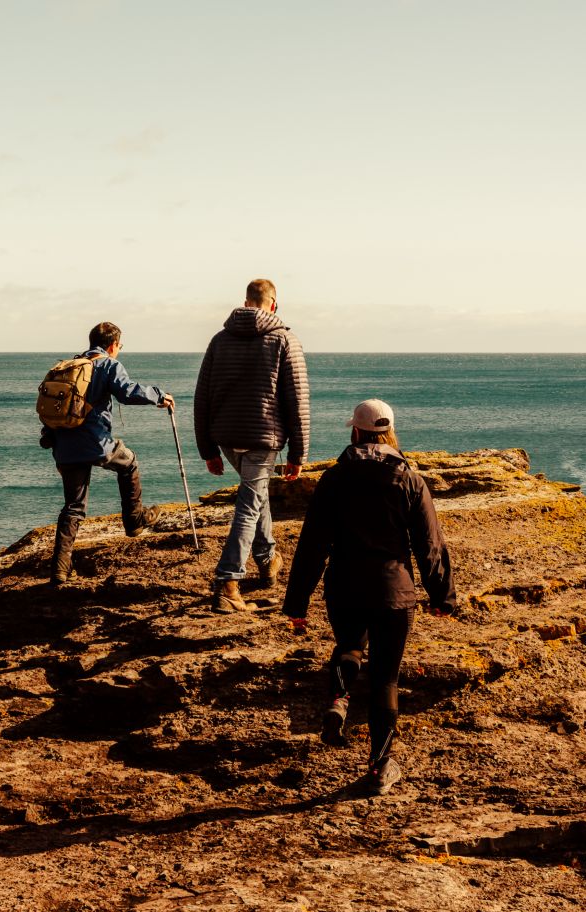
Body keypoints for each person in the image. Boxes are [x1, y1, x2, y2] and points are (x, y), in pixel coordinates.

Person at [280, 399, 454, 797]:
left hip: (344, 587)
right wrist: (442, 595)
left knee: (349, 647)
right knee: (385, 678)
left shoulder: (334, 479)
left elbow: (312, 546)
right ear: (389, 433)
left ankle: (339, 699)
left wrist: (297, 604)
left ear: (355, 432)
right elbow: (430, 545)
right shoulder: (409, 479)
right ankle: (379, 767)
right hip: (394, 592)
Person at [192, 278, 310, 613]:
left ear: (246, 303)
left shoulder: (219, 340)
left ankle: (268, 558)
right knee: (249, 503)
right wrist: (298, 454)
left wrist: (208, 449)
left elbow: (203, 397)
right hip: (262, 436)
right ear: (273, 303)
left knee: (255, 496)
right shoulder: (284, 339)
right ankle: (228, 581)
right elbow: (297, 400)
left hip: (227, 437)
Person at [45, 322, 174, 585]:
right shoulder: (108, 365)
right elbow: (127, 392)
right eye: (120, 346)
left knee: (73, 507)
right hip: (96, 443)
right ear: (113, 345)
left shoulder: (69, 366)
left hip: (65, 443)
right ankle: (135, 521)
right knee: (128, 463)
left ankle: (59, 570)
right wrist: (159, 396)